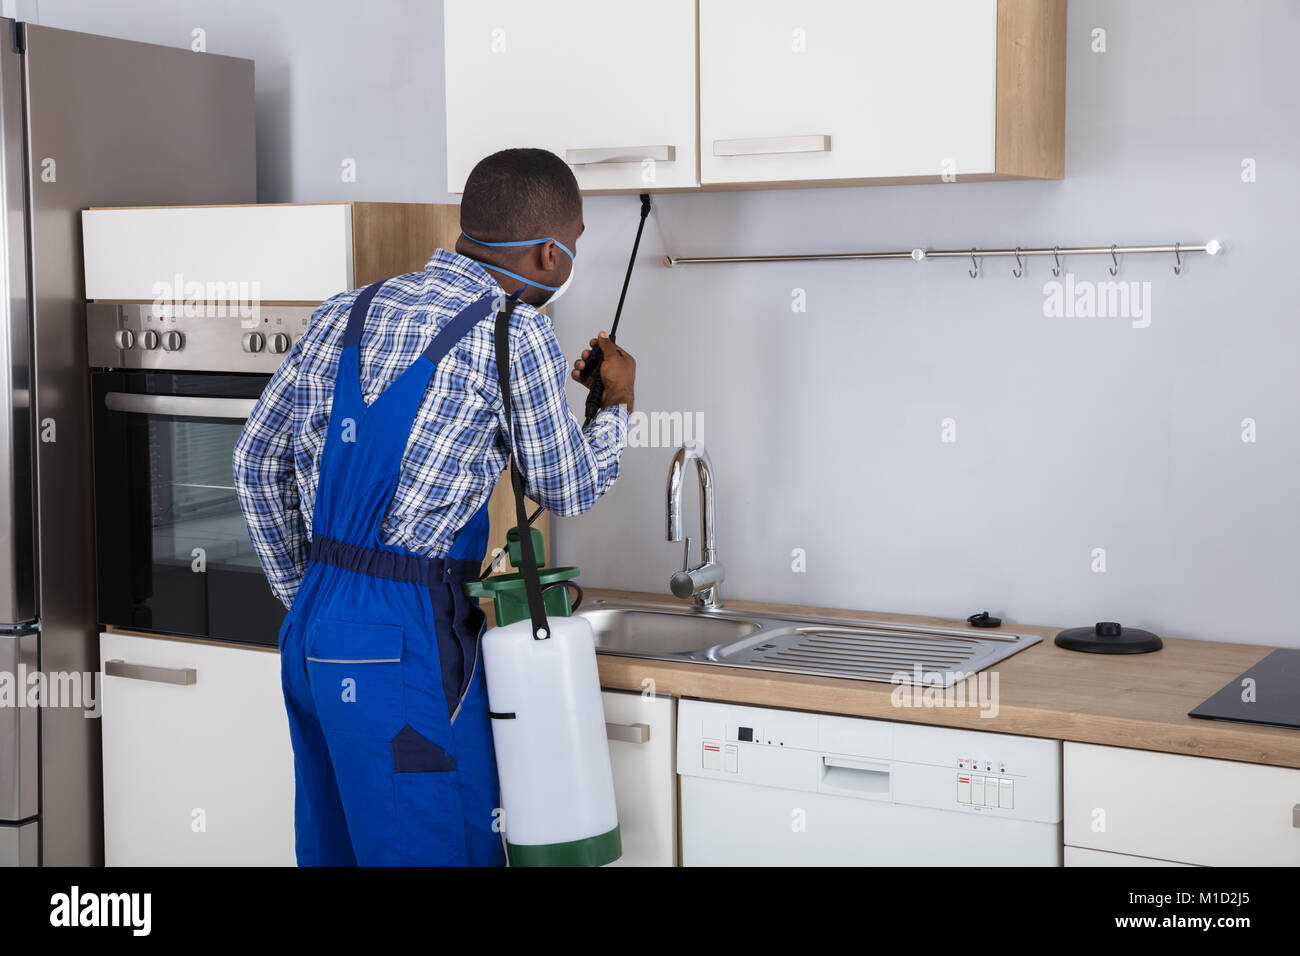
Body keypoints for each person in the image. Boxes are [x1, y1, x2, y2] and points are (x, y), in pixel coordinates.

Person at [232, 147, 636, 866]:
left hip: (316, 630)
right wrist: (618, 404)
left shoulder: (345, 311)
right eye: (574, 242)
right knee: (439, 843)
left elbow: (254, 461)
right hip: (407, 635)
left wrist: (312, 596)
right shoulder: (514, 332)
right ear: (550, 252)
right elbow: (569, 488)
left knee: (339, 850)